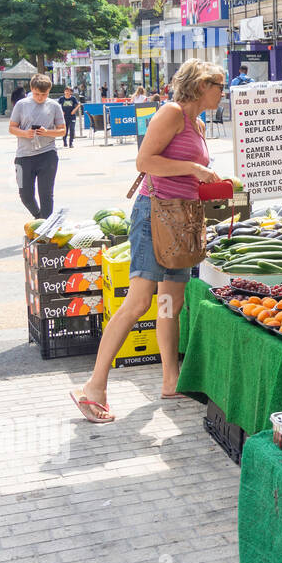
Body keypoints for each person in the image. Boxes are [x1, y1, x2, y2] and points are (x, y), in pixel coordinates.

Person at [70, 59, 225, 424]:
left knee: (171, 302)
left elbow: (186, 168)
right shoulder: (171, 113)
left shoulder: (198, 124)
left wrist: (209, 183)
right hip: (155, 216)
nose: (223, 91)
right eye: (219, 85)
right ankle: (94, 386)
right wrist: (193, 169)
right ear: (202, 85)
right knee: (139, 301)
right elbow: (145, 160)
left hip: (182, 219)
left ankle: (170, 379)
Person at [9, 75, 65, 219]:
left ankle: (46, 228)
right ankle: (39, 217)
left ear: (49, 91)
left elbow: (62, 130)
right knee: (25, 194)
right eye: (36, 94)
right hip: (23, 156)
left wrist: (48, 132)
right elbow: (12, 128)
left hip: (48, 155)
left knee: (46, 194)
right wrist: (25, 133)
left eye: (44, 94)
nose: (40, 98)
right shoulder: (21, 105)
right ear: (31, 89)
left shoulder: (54, 106)